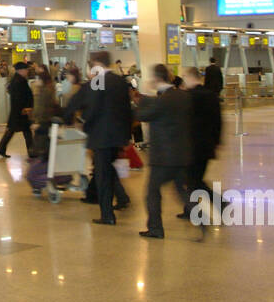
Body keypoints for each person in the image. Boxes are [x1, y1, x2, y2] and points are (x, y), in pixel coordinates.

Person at [62, 50, 132, 225]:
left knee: (102, 175)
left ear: (95, 63)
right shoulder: (120, 81)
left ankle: (107, 215)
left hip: (102, 136)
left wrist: (79, 120)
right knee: (107, 169)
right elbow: (127, 110)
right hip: (118, 135)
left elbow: (87, 105)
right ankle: (121, 198)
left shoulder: (98, 81)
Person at [135, 64, 198, 239]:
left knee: (152, 192)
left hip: (163, 156)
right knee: (181, 190)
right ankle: (200, 217)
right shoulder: (183, 97)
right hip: (182, 153)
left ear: (156, 78)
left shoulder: (161, 100)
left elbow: (142, 115)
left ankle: (155, 228)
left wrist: (145, 95)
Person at [181, 66, 223, 220]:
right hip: (207, 145)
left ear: (189, 77)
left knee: (193, 180)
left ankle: (221, 203)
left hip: (192, 145)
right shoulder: (211, 96)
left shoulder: (189, 97)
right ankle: (190, 210)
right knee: (193, 179)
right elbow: (218, 121)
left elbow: (185, 123)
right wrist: (217, 141)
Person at [0, 61, 34, 159]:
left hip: (18, 110)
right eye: (26, 70)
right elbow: (19, 97)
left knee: (15, 130)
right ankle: (32, 152)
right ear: (21, 70)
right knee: (24, 131)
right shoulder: (19, 81)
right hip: (20, 111)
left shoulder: (17, 80)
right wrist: (24, 108)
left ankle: (1, 149)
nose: (27, 71)